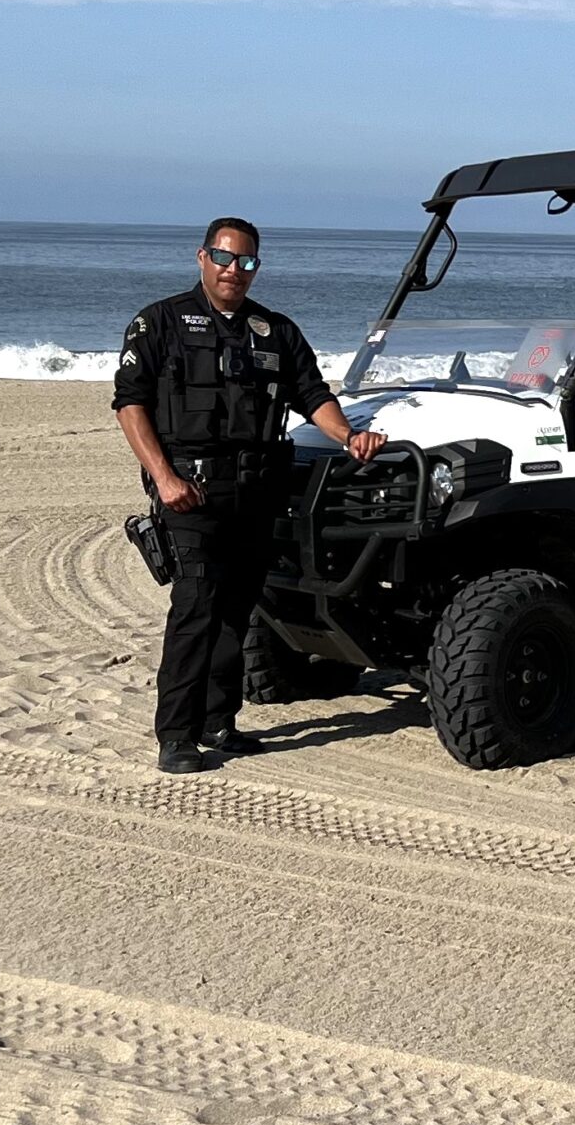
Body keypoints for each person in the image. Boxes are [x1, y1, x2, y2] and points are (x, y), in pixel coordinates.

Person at [114, 218, 387, 775]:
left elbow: (313, 394)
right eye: (224, 257)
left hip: (257, 493)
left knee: (237, 612)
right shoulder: (159, 321)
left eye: (246, 262)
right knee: (196, 609)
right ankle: (177, 735)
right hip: (191, 491)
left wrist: (348, 436)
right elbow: (129, 404)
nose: (233, 270)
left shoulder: (275, 331)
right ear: (201, 256)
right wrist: (164, 478)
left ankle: (220, 721)